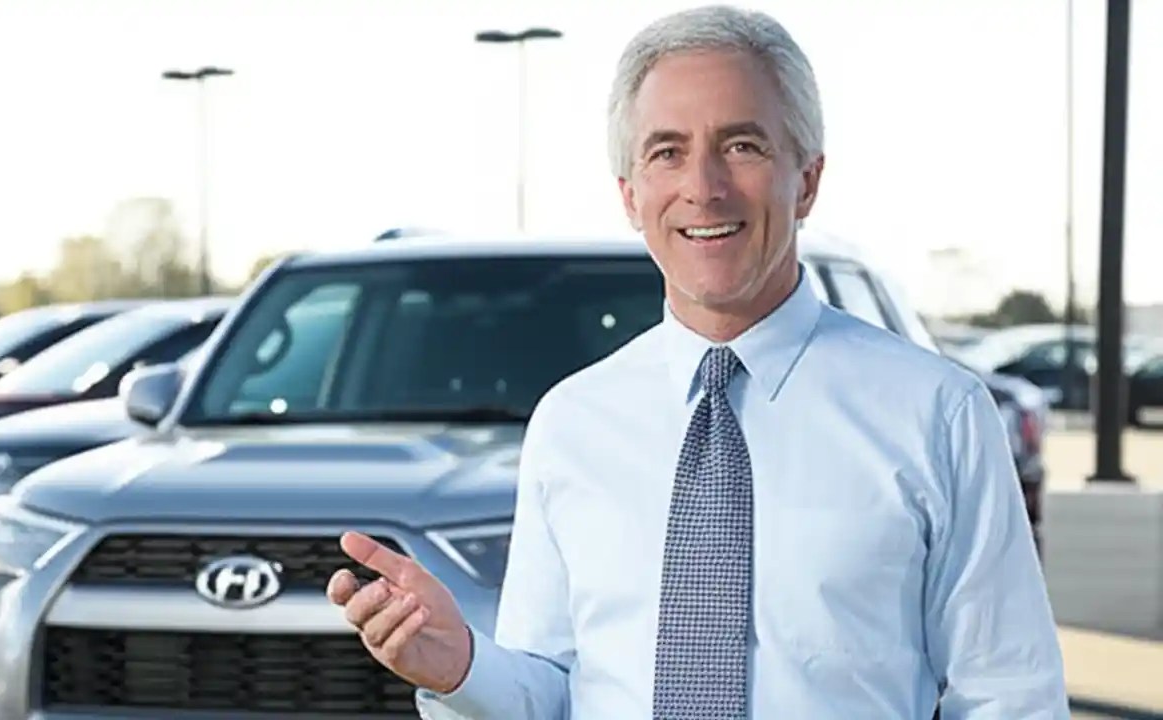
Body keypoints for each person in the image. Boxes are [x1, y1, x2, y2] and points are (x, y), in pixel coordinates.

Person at [327, 4, 1069, 718]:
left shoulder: (936, 414)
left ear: (806, 179)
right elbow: (552, 693)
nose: (703, 187)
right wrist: (462, 669)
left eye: (742, 145)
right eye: (667, 152)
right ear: (630, 194)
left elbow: (1011, 696)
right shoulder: (572, 424)